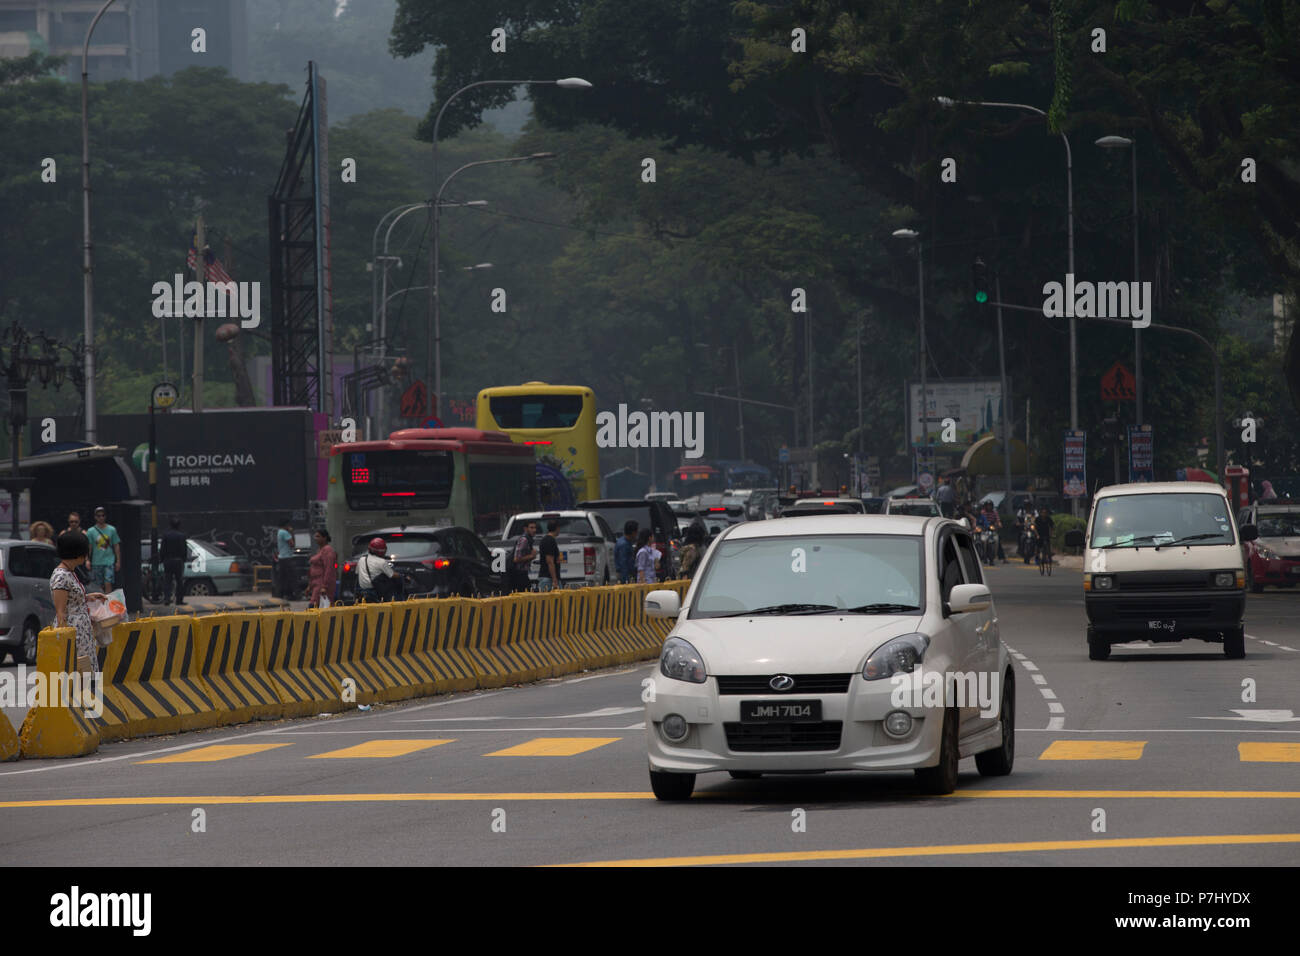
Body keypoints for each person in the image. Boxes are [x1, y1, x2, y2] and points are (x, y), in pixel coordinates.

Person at [50, 531, 106, 672]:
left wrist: (89, 597)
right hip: (74, 634)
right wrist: (65, 642)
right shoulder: (61, 576)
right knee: (78, 674)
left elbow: (71, 600)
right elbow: (61, 612)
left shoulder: (71, 572)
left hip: (82, 632)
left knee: (87, 674)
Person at [85, 506, 122, 593]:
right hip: (96, 561)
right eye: (98, 516)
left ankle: (108, 601)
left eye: (103, 515)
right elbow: (89, 547)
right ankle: (100, 602)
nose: (101, 517)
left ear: (105, 516)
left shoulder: (112, 530)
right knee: (98, 584)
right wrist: (87, 560)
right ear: (95, 517)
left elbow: (116, 545)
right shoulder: (91, 531)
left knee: (108, 582)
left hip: (109, 561)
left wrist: (118, 561)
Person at [356, 537, 398, 602]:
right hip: (375, 593)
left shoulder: (361, 559)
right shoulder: (382, 562)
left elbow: (357, 573)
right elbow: (392, 575)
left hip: (361, 592)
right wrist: (401, 575)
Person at [160, 517, 189, 605]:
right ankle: (179, 600)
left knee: (167, 580)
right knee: (179, 581)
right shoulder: (182, 536)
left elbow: (162, 549)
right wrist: (183, 559)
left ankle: (167, 599)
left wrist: (162, 559)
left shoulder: (166, 535)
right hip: (178, 561)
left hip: (168, 560)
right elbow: (184, 549)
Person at [308, 528, 337, 608]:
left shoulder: (328, 550)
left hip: (322, 585)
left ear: (324, 538)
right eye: (315, 536)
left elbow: (329, 569)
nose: (315, 538)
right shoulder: (320, 550)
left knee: (313, 606)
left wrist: (324, 586)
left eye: (318, 536)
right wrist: (310, 586)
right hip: (316, 584)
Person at [509, 519, 539, 593]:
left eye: (535, 528)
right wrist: (532, 556)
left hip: (523, 573)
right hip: (519, 574)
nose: (534, 530)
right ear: (525, 529)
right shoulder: (524, 540)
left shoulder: (529, 539)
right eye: (531, 528)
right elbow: (516, 559)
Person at [275, 518, 297, 600]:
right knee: (291, 577)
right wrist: (291, 532)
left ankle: (280, 594)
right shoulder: (285, 533)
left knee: (283, 577)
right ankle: (292, 594)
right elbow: (292, 544)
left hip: (282, 557)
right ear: (286, 525)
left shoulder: (279, 532)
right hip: (287, 557)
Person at [538, 521, 562, 592]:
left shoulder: (547, 540)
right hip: (548, 578)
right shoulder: (549, 541)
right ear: (557, 528)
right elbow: (550, 561)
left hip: (548, 577)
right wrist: (554, 579)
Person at [614, 520, 638, 584]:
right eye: (636, 532)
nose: (636, 534)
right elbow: (623, 563)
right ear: (633, 532)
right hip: (625, 576)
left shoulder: (625, 542)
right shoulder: (624, 545)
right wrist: (626, 580)